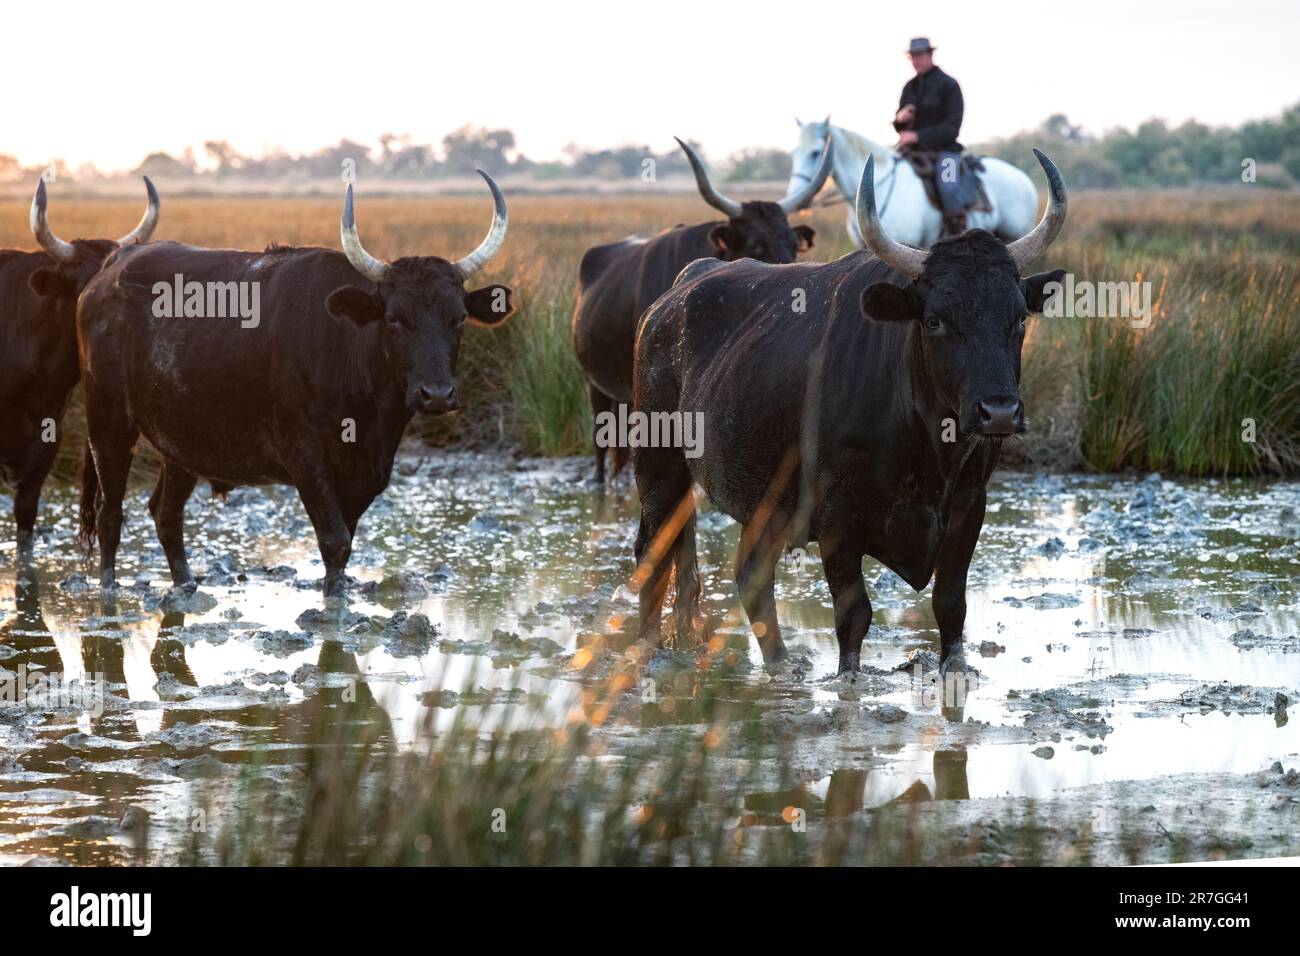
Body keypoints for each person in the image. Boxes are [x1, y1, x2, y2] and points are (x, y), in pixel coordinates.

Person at [893, 37, 969, 235]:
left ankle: (957, 235)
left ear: (930, 55)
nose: (916, 60)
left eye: (920, 55)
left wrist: (917, 136)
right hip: (911, 152)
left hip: (947, 152)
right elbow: (899, 127)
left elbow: (952, 129)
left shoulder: (949, 85)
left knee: (948, 186)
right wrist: (900, 119)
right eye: (913, 56)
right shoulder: (909, 87)